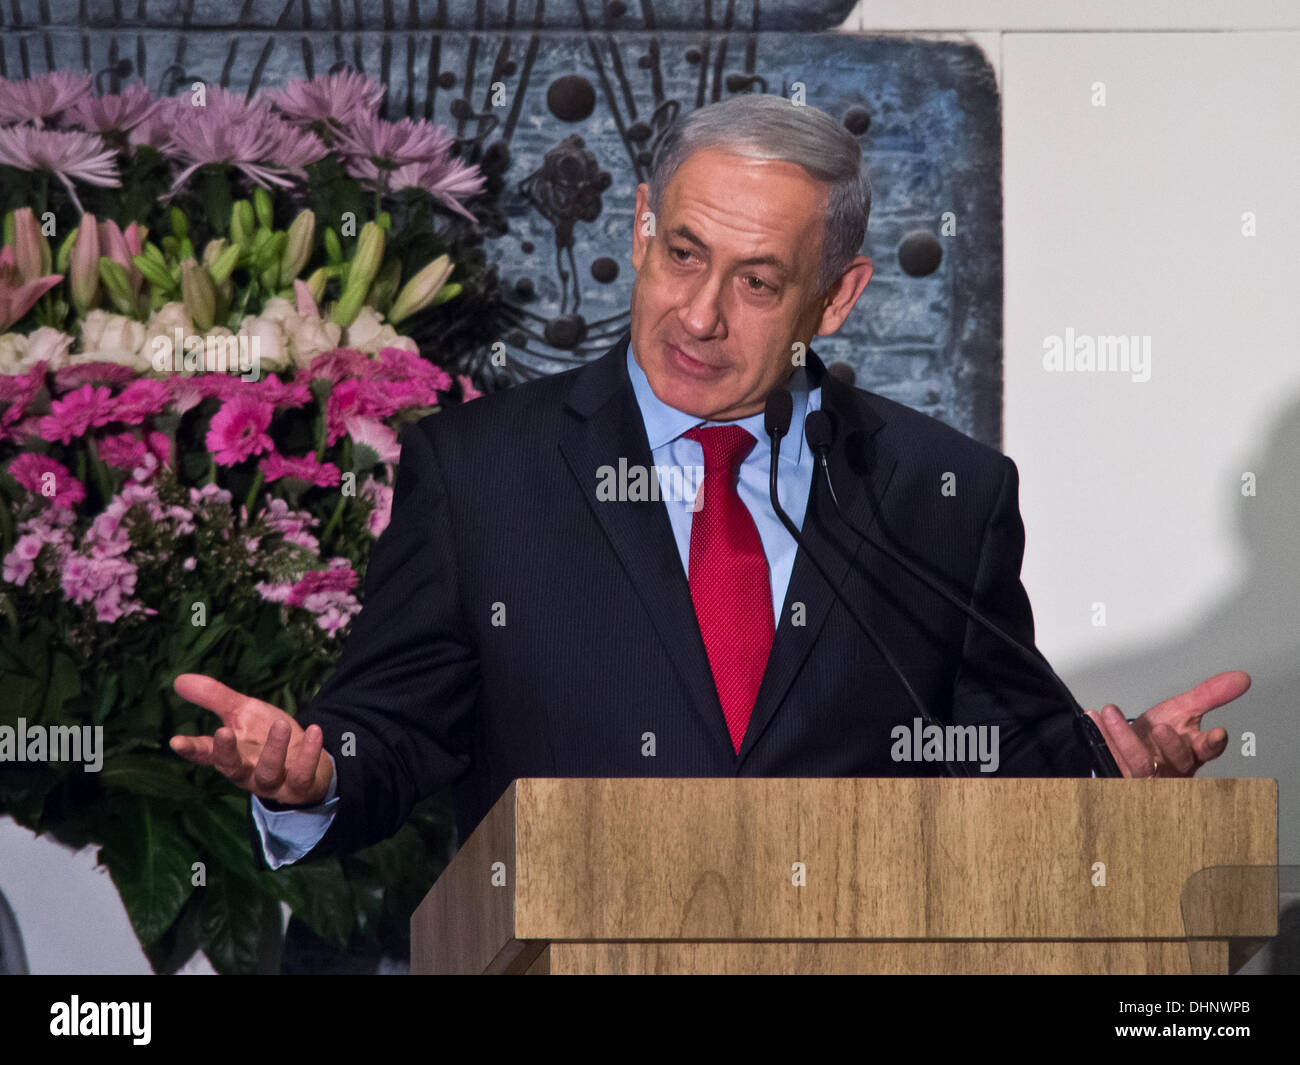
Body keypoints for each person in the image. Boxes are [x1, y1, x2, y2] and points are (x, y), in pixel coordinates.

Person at [169, 93, 1246, 869]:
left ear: (836, 298)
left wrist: (1108, 785)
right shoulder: (480, 470)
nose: (698, 313)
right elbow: (391, 731)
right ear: (640, 229)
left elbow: (997, 762)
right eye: (681, 254)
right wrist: (314, 776)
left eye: (758, 281)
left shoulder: (936, 491)